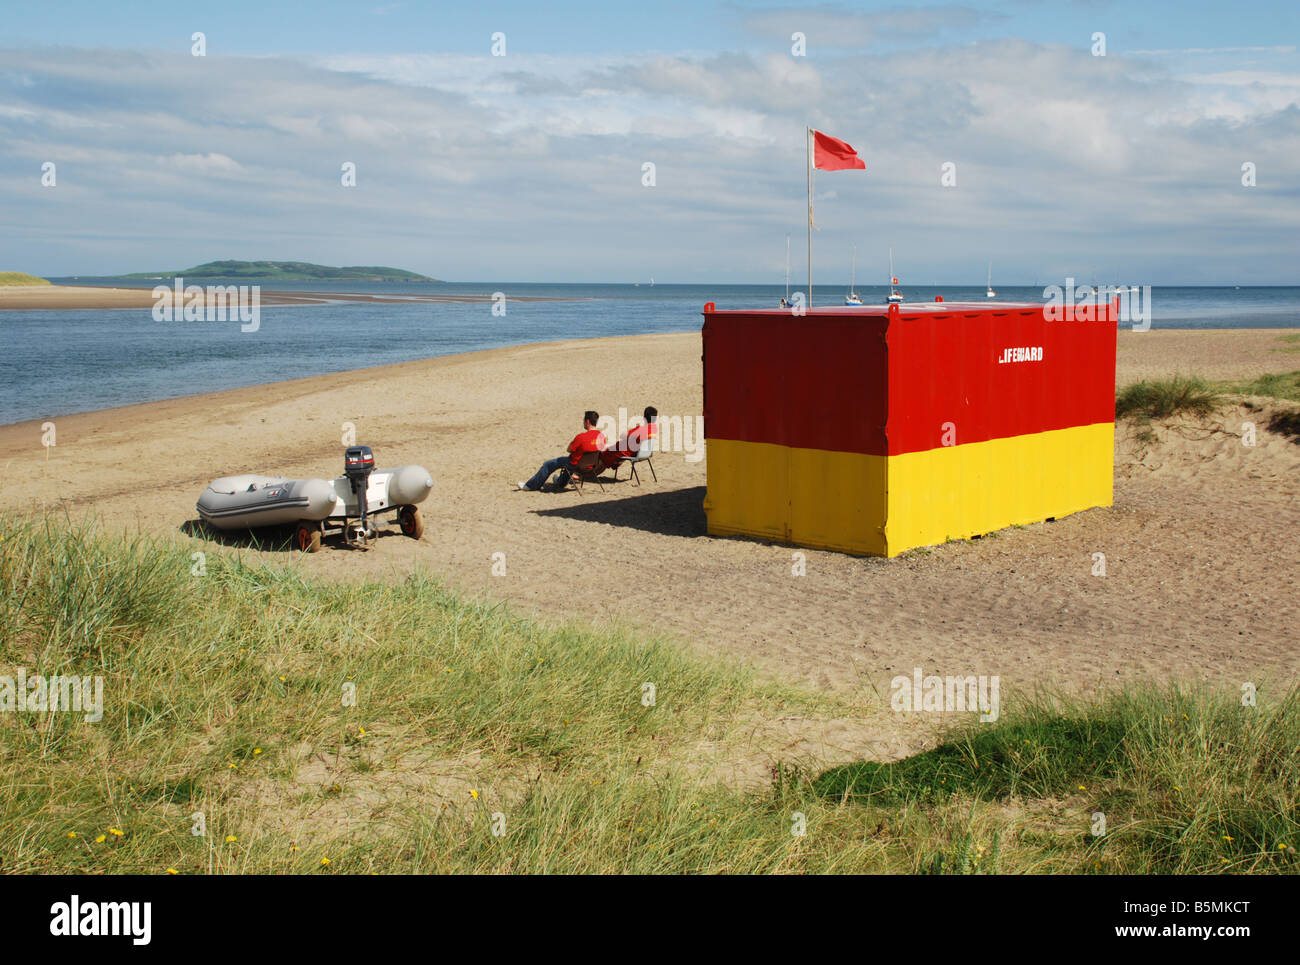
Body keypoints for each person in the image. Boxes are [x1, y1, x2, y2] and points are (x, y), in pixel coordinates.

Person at [517, 410, 607, 491]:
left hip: (576, 465)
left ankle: (531, 486)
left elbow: (569, 449)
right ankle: (560, 482)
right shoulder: (602, 437)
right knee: (571, 461)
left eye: (584, 421)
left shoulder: (581, 437)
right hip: (591, 466)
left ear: (587, 421)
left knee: (548, 464)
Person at [600, 406, 658, 471]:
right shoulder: (654, 429)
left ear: (644, 417)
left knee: (604, 454)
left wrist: (634, 430)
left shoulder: (640, 429)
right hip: (645, 453)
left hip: (631, 453)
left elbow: (622, 436)